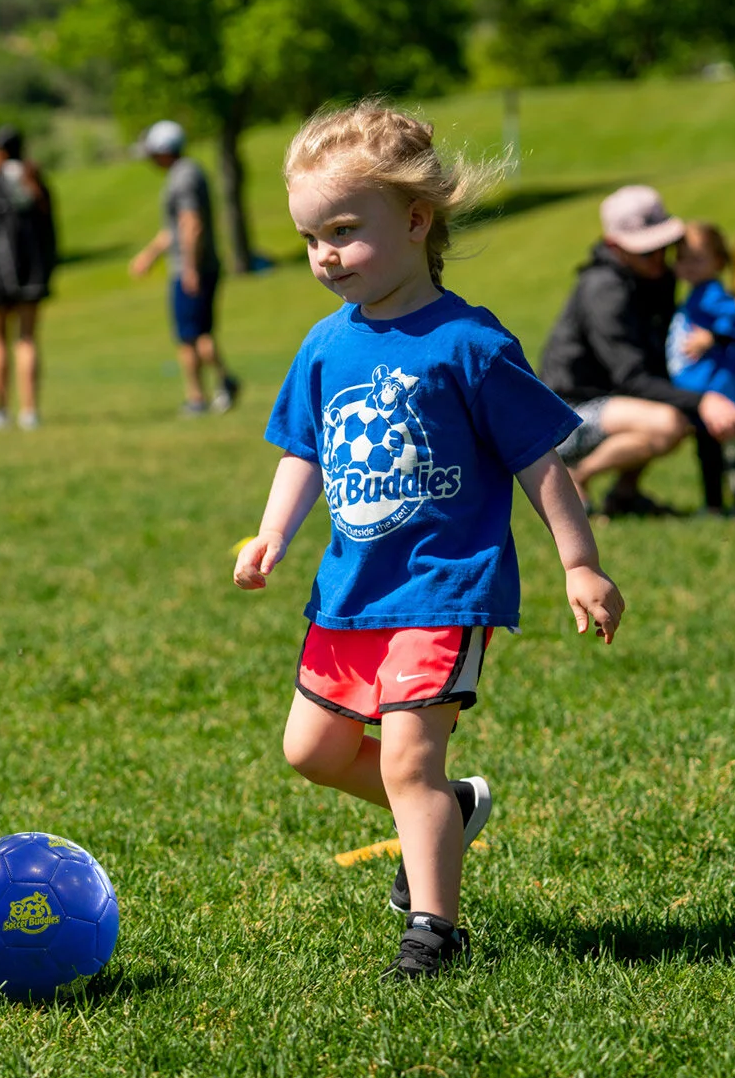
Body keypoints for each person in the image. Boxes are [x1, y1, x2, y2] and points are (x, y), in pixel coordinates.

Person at [232, 101, 624, 980]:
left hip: (446, 587)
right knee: (313, 750)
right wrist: (272, 534)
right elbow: (304, 449)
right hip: (351, 589)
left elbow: (542, 461)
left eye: (343, 229)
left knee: (408, 757)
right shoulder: (324, 346)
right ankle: (445, 810)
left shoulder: (472, 343)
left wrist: (581, 562)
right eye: (309, 237)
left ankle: (434, 928)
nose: (324, 254)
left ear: (415, 221)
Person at [539, 185, 735, 515]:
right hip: (568, 413)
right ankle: (577, 475)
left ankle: (624, 496)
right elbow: (632, 375)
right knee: (669, 423)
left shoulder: (655, 277)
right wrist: (703, 401)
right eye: (646, 250)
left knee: (676, 409)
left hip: (617, 398)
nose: (658, 259)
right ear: (614, 246)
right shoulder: (605, 289)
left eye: (663, 247)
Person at [128, 120, 242, 416]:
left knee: (190, 336)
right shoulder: (185, 173)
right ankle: (222, 383)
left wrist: (189, 268)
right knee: (199, 333)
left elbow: (191, 225)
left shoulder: (183, 177)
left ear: (165, 151)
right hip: (193, 267)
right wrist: (150, 256)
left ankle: (198, 396)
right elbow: (174, 229)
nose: (150, 159)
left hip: (192, 269)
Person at [0, 126, 58, 431]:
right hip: (32, 274)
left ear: (0, 152)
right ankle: (29, 411)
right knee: (27, 340)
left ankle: (0, 410)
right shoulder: (36, 182)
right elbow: (52, 233)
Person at [667, 222, 735, 513]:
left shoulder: (713, 294)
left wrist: (712, 336)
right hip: (702, 392)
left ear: (718, 261)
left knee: (730, 452)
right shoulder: (695, 293)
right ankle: (715, 505)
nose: (688, 266)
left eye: (697, 258)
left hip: (719, 390)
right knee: (708, 453)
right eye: (682, 259)